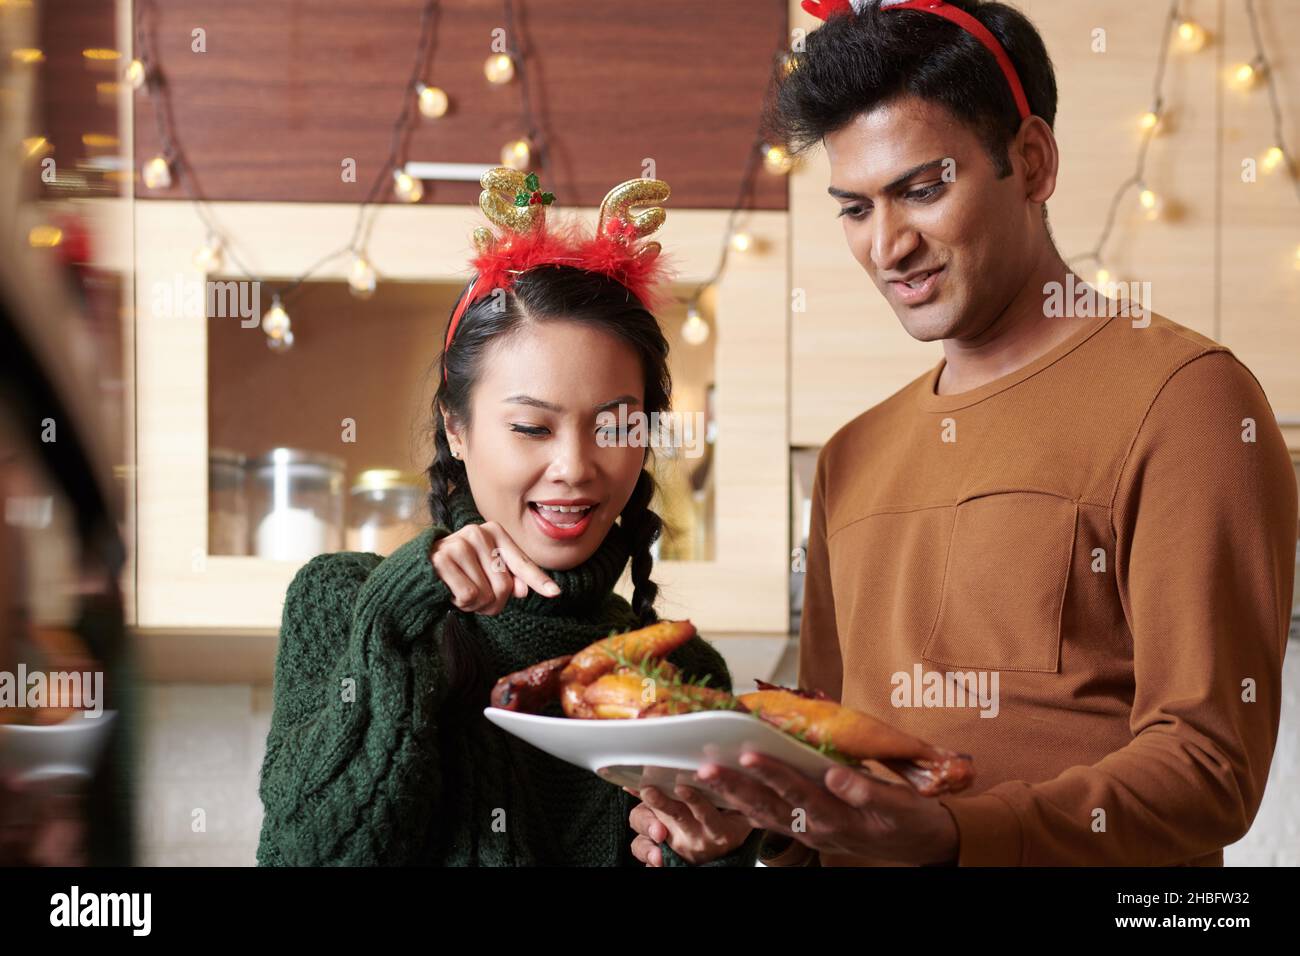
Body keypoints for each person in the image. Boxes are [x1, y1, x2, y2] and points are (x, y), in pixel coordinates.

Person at [688, 0, 1298, 866]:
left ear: (1033, 161)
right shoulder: (849, 456)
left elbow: (1210, 766)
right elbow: (822, 766)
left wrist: (955, 834)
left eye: (923, 188)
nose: (888, 246)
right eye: (854, 208)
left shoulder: (1187, 401)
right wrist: (742, 829)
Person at [256, 168, 761, 866]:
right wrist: (399, 615)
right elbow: (304, 856)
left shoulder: (685, 677)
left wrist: (704, 856)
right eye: (531, 427)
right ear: (456, 430)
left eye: (614, 426)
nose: (576, 466)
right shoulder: (345, 605)